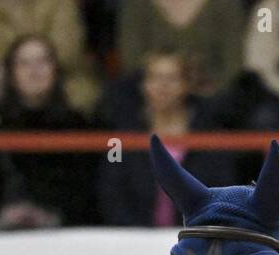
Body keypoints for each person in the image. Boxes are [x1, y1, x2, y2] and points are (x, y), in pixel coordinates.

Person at [0, 35, 98, 228]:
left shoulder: (78, 125)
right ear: (11, 73)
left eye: (42, 61)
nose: (34, 71)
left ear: (55, 70)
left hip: (63, 237)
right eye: (24, 63)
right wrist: (1, 213)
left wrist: (53, 215)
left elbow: (87, 191)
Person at [100, 50, 237, 226]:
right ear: (143, 85)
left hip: (195, 239)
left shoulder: (210, 136)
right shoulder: (121, 139)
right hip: (133, 240)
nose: (162, 86)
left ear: (186, 84)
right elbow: (111, 193)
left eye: (172, 78)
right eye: (155, 78)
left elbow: (222, 194)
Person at [0, 0, 101, 115]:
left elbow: (68, 50)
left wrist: (20, 69)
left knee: (81, 105)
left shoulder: (62, 2)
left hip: (60, 81)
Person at [116, 0, 246, 96]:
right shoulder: (136, 5)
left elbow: (234, 68)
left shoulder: (226, 5)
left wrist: (203, 92)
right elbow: (133, 65)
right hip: (149, 104)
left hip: (214, 103)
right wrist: (165, 86)